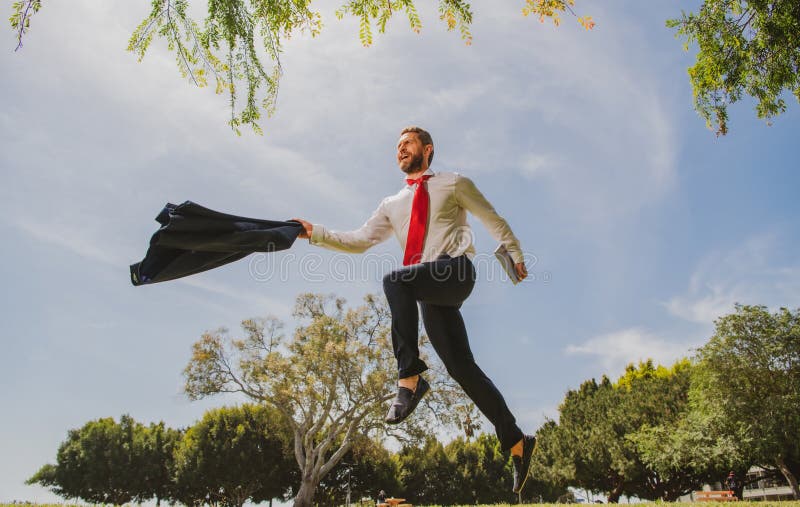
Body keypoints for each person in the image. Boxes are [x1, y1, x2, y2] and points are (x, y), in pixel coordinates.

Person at [292, 126, 535, 493]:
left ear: (427, 149)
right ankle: (517, 441)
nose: (400, 150)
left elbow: (491, 218)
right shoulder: (392, 204)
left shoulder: (453, 183)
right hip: (428, 290)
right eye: (397, 146)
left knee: (395, 281)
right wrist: (316, 233)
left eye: (407, 144)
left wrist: (514, 253)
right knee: (461, 368)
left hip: (454, 271)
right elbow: (359, 241)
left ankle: (409, 377)